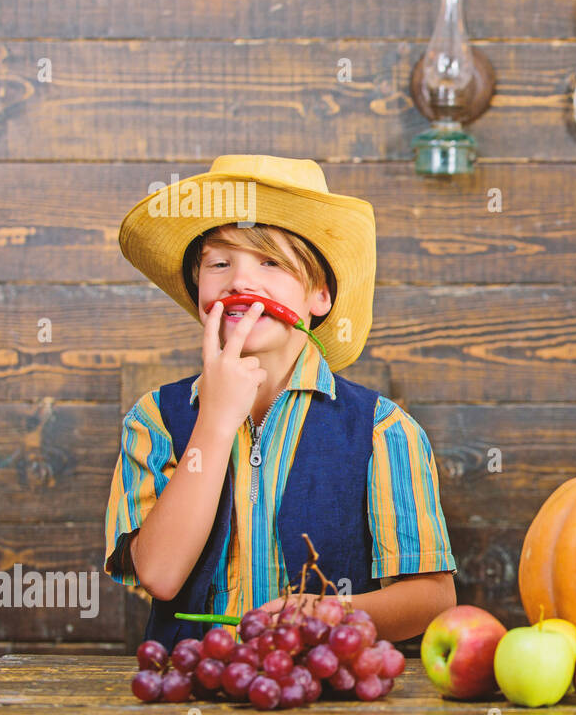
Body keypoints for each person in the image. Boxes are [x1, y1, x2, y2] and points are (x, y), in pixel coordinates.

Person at [105, 155, 456, 649]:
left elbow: (433, 599)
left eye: (270, 262)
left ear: (319, 295)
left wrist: (326, 613)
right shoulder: (154, 421)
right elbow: (160, 575)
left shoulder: (383, 430)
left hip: (329, 708)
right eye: (220, 263)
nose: (240, 283)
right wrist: (216, 420)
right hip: (193, 700)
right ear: (199, 291)